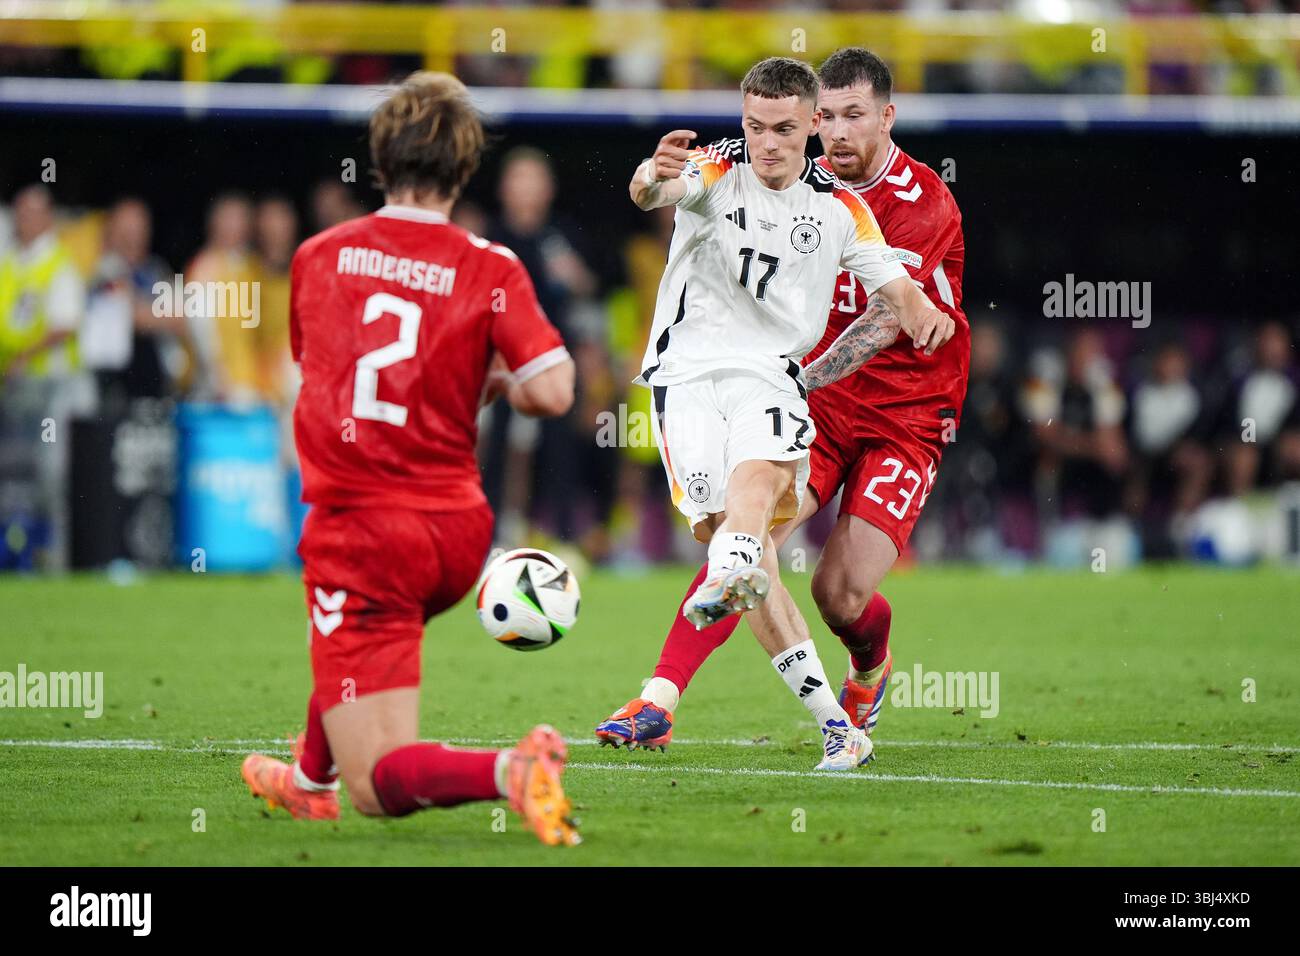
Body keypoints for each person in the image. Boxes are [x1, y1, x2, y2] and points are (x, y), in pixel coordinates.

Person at [595, 48, 968, 758]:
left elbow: (892, 312)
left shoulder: (911, 203)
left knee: (841, 595)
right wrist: (650, 177)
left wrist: (911, 315)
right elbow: (656, 188)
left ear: (886, 117)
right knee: (743, 541)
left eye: (852, 116)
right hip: (806, 394)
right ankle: (660, 698)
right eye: (825, 117)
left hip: (905, 411)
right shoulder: (734, 168)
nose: (836, 133)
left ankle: (868, 665)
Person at [240, 72, 580, 847]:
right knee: (349, 648)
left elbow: (334, 373)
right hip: (457, 537)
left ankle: (511, 771)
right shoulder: (490, 266)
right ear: (466, 169)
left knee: (378, 782)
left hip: (363, 535)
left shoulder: (319, 257)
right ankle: (305, 781)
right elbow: (556, 392)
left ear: (380, 158)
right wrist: (488, 385)